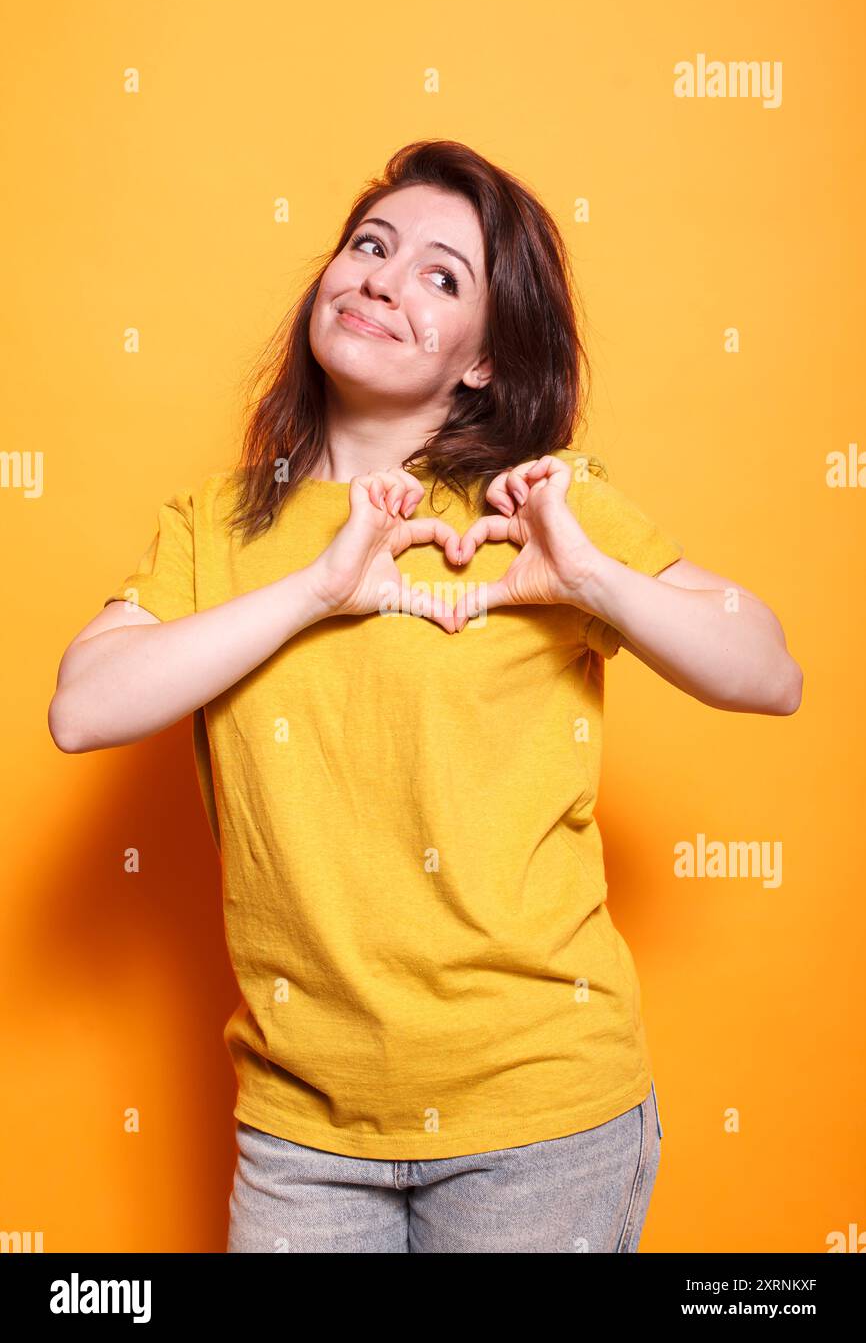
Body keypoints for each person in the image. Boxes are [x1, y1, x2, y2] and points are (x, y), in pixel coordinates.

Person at [48, 139, 803, 1253]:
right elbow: (83, 707)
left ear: (485, 360)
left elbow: (768, 672)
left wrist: (589, 576)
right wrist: (316, 589)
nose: (381, 280)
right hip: (303, 1127)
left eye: (441, 276)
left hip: (540, 1116)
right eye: (368, 245)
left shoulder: (541, 508)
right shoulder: (214, 527)